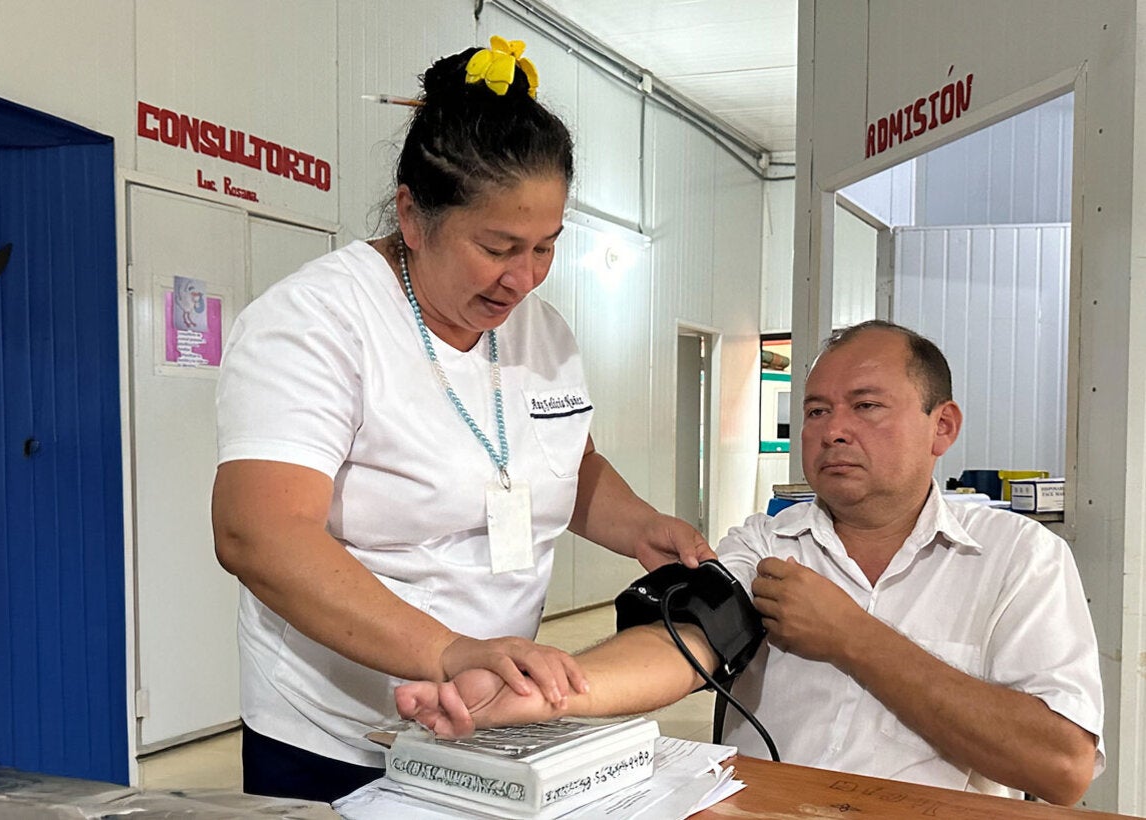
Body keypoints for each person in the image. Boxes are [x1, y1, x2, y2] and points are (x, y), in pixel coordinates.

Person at [210, 36, 714, 804]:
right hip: (338, 734)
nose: (524, 277)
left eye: (546, 247)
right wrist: (443, 650)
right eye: (498, 246)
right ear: (413, 215)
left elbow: (562, 459)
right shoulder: (316, 323)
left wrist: (639, 526)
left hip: (482, 721)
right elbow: (259, 534)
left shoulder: (539, 330)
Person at [396, 320, 1105, 806]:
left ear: (941, 426)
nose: (834, 432)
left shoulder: (1020, 560)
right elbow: (683, 643)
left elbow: (1063, 768)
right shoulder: (766, 547)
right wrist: (540, 694)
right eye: (817, 411)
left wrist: (853, 639)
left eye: (865, 407)